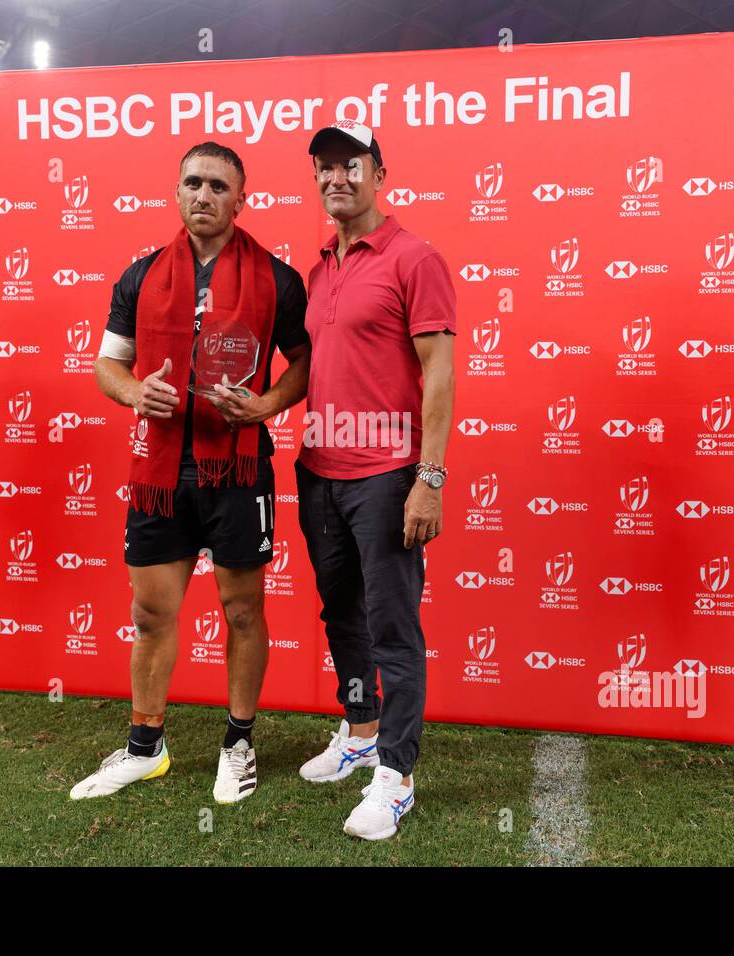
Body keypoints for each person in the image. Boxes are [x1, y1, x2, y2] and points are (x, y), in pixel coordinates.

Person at [72, 142, 311, 805]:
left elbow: (305, 361)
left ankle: (238, 742)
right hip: (160, 470)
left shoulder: (278, 279)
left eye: (218, 185)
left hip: (237, 472)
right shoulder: (142, 276)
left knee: (241, 613)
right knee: (152, 615)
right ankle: (146, 747)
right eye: (192, 183)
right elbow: (106, 364)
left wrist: (265, 404)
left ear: (242, 199)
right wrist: (130, 393)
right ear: (176, 192)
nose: (203, 194)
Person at [294, 121, 456, 840]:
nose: (337, 178)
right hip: (319, 471)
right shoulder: (319, 265)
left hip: (388, 476)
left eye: (350, 165)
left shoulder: (415, 257)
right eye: (325, 167)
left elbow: (440, 373)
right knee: (342, 618)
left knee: (393, 628)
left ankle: (396, 776)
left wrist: (430, 477)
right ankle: (360, 732)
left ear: (379, 173)